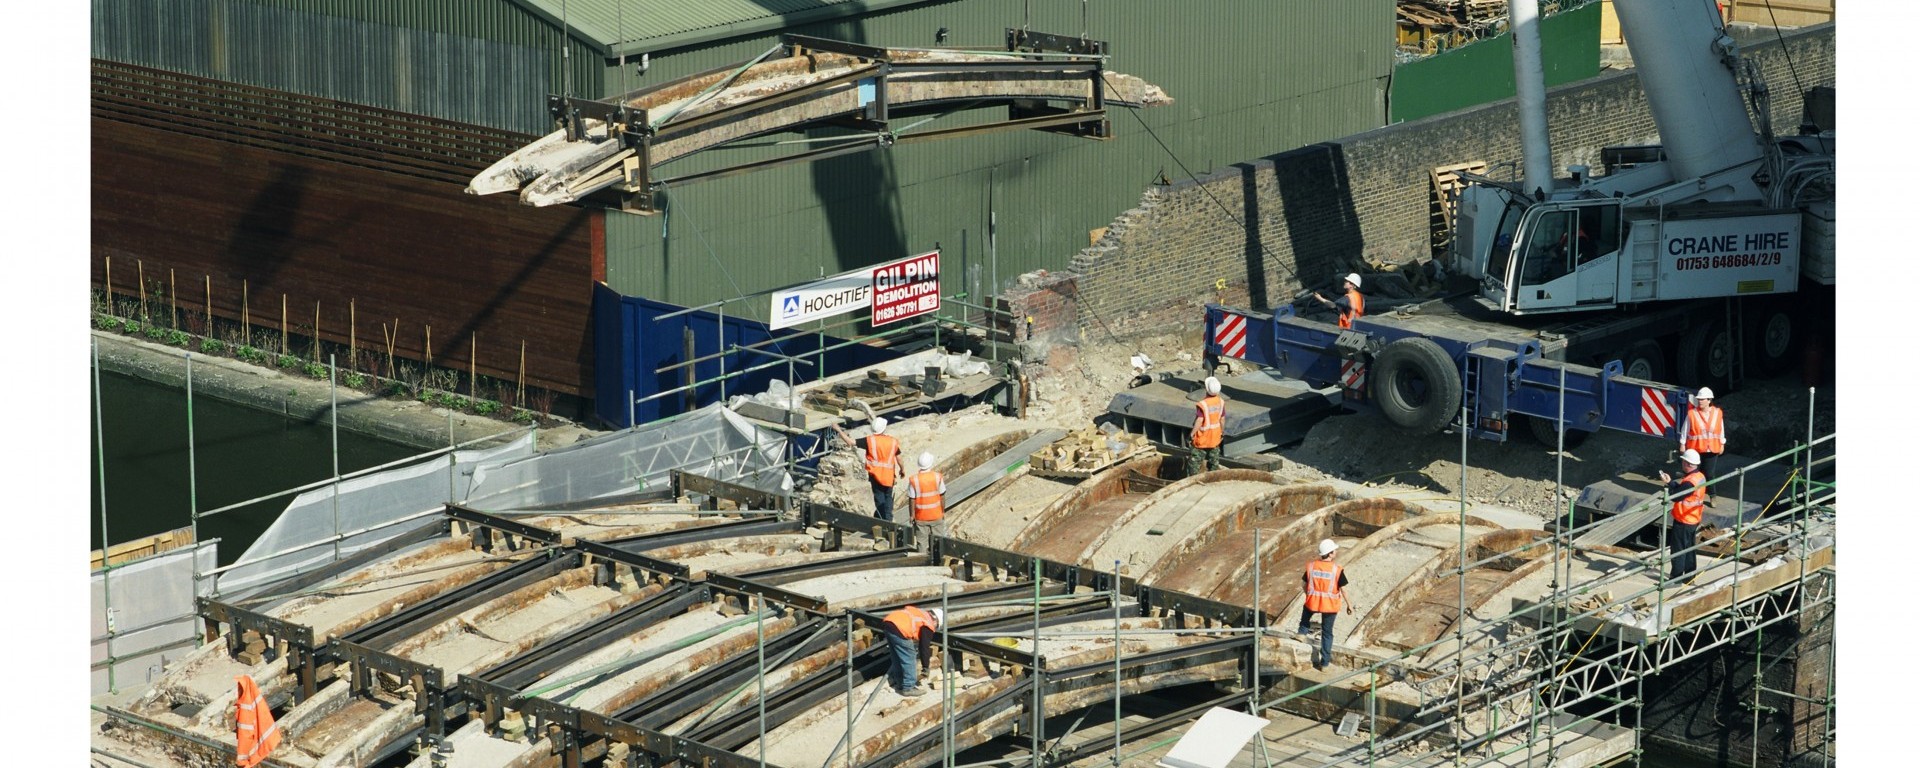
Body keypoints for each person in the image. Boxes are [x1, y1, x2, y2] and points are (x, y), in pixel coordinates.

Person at [1296, 538, 1352, 671]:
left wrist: (1309, 595)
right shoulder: (1337, 570)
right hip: (1330, 606)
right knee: (1327, 634)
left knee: (1306, 612)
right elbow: (1343, 589)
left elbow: (1303, 584)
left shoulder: (1311, 566)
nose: (1336, 552)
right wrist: (1349, 605)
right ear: (1331, 553)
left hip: (1313, 602)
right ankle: (1325, 664)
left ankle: (1302, 633)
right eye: (1335, 550)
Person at [835, 417, 905, 522]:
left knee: (879, 498)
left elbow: (850, 442)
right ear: (884, 428)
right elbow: (899, 459)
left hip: (875, 475)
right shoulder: (892, 442)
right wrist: (902, 469)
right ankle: (889, 519)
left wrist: (838, 430)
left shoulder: (869, 441)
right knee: (888, 497)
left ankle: (883, 521)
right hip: (888, 476)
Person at [1657, 449, 1707, 583]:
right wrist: (1670, 482)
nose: (1682, 464)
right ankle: (1690, 577)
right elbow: (1683, 491)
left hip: (1684, 520)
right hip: (1693, 518)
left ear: (1688, 464)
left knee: (1678, 550)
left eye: (1683, 461)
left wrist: (1669, 489)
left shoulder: (1690, 482)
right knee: (1690, 549)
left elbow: (1677, 496)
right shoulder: (1699, 477)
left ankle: (1676, 577)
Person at [881, 605, 943, 697]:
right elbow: (924, 647)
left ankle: (900, 683)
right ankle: (908, 687)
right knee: (909, 656)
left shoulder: (922, 613)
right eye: (936, 626)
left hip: (888, 623)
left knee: (897, 656)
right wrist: (925, 667)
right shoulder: (928, 624)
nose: (935, 628)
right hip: (900, 628)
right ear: (936, 621)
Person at [1679, 387, 1725, 503]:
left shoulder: (1717, 413)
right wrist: (1682, 444)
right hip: (1696, 449)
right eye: (1698, 399)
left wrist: (1722, 443)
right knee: (1693, 474)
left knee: (1709, 474)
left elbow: (1721, 429)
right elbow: (1685, 429)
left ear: (1709, 400)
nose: (1699, 401)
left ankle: (1712, 495)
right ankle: (1690, 494)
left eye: (1702, 399)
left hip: (1711, 449)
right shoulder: (1692, 414)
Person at [906, 452, 948, 552]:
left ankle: (923, 564)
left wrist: (912, 515)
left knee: (921, 543)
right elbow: (942, 496)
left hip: (921, 517)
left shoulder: (914, 479)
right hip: (936, 515)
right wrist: (942, 512)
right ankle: (937, 564)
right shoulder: (937, 477)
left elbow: (912, 499)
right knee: (938, 542)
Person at [1188, 376, 1226, 474]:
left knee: (1194, 463)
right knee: (1214, 463)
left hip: (1202, 438)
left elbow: (1200, 420)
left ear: (1206, 389)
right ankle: (1213, 479)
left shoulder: (1203, 404)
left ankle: (1193, 481)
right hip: (1215, 438)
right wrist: (1222, 431)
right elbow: (1222, 419)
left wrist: (1192, 433)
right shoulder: (1221, 402)